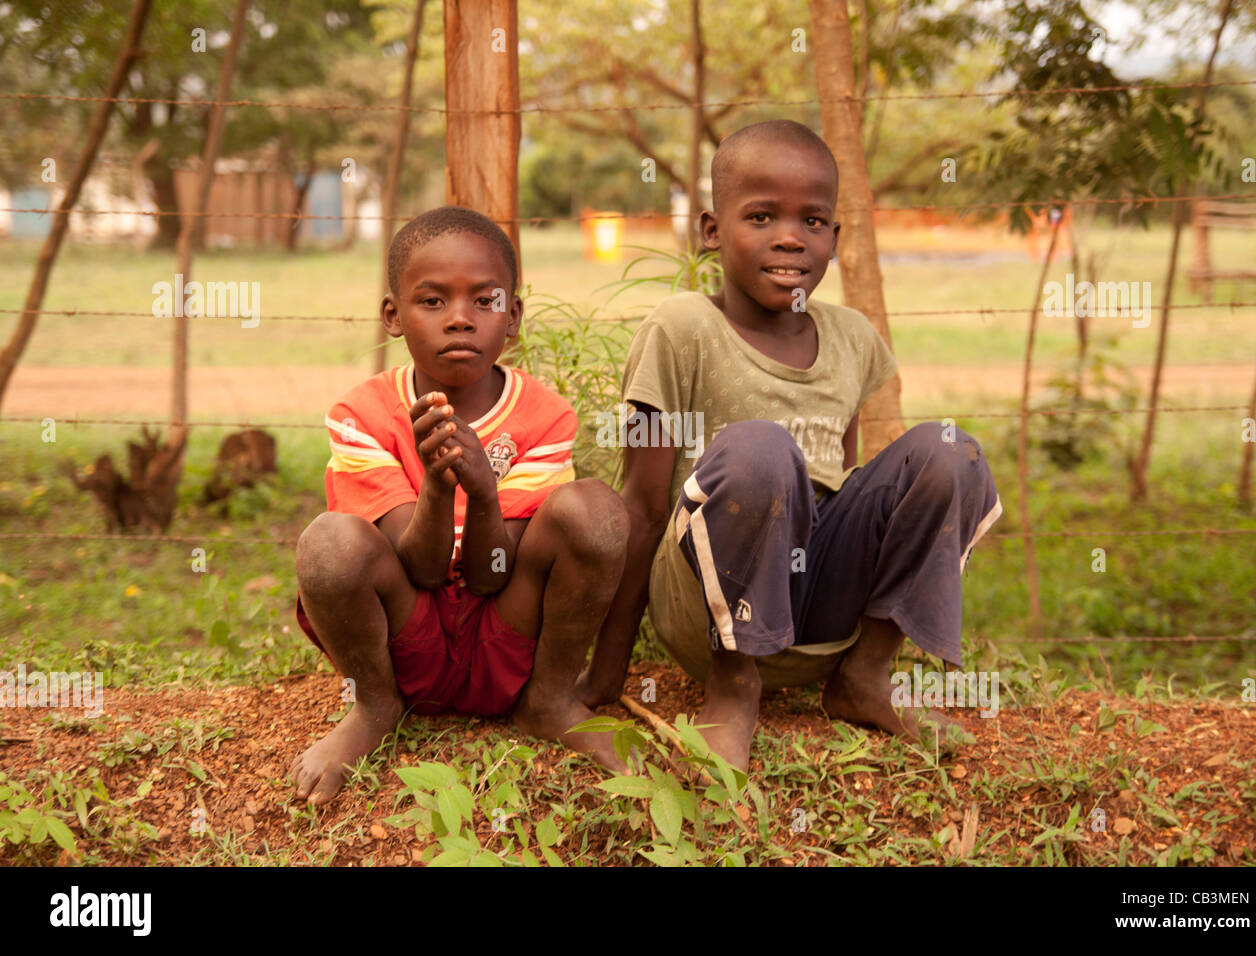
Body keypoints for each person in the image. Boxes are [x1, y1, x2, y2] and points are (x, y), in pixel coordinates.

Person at [576, 121, 1002, 771]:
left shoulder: (852, 336)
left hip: (821, 604)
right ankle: (735, 684)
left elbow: (851, 483)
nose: (789, 237)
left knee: (950, 449)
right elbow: (639, 507)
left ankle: (864, 676)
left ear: (835, 235)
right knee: (762, 450)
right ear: (712, 230)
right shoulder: (680, 328)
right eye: (762, 215)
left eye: (812, 220)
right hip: (704, 601)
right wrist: (606, 675)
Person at [292, 206, 628, 805]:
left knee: (594, 510)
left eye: (485, 301)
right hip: (405, 634)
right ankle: (374, 706)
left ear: (514, 317)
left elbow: (491, 574)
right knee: (329, 543)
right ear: (393, 316)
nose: (460, 320)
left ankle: (548, 701)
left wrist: (483, 492)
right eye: (432, 301)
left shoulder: (544, 417)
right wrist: (440, 486)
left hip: (506, 627)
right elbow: (418, 568)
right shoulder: (362, 416)